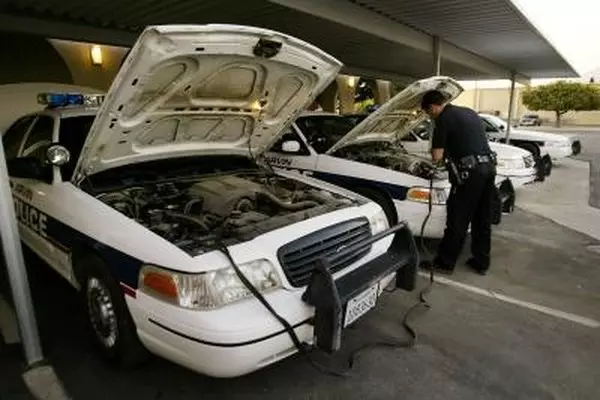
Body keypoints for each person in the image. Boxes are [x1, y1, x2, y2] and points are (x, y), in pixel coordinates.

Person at [420, 90, 497, 275]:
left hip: (469, 175)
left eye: (428, 113)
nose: (429, 117)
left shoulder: (443, 119)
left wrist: (433, 159)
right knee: (482, 219)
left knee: (457, 219)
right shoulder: (469, 112)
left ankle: (445, 262)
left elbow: (437, 157)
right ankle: (481, 262)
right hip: (488, 169)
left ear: (432, 107)